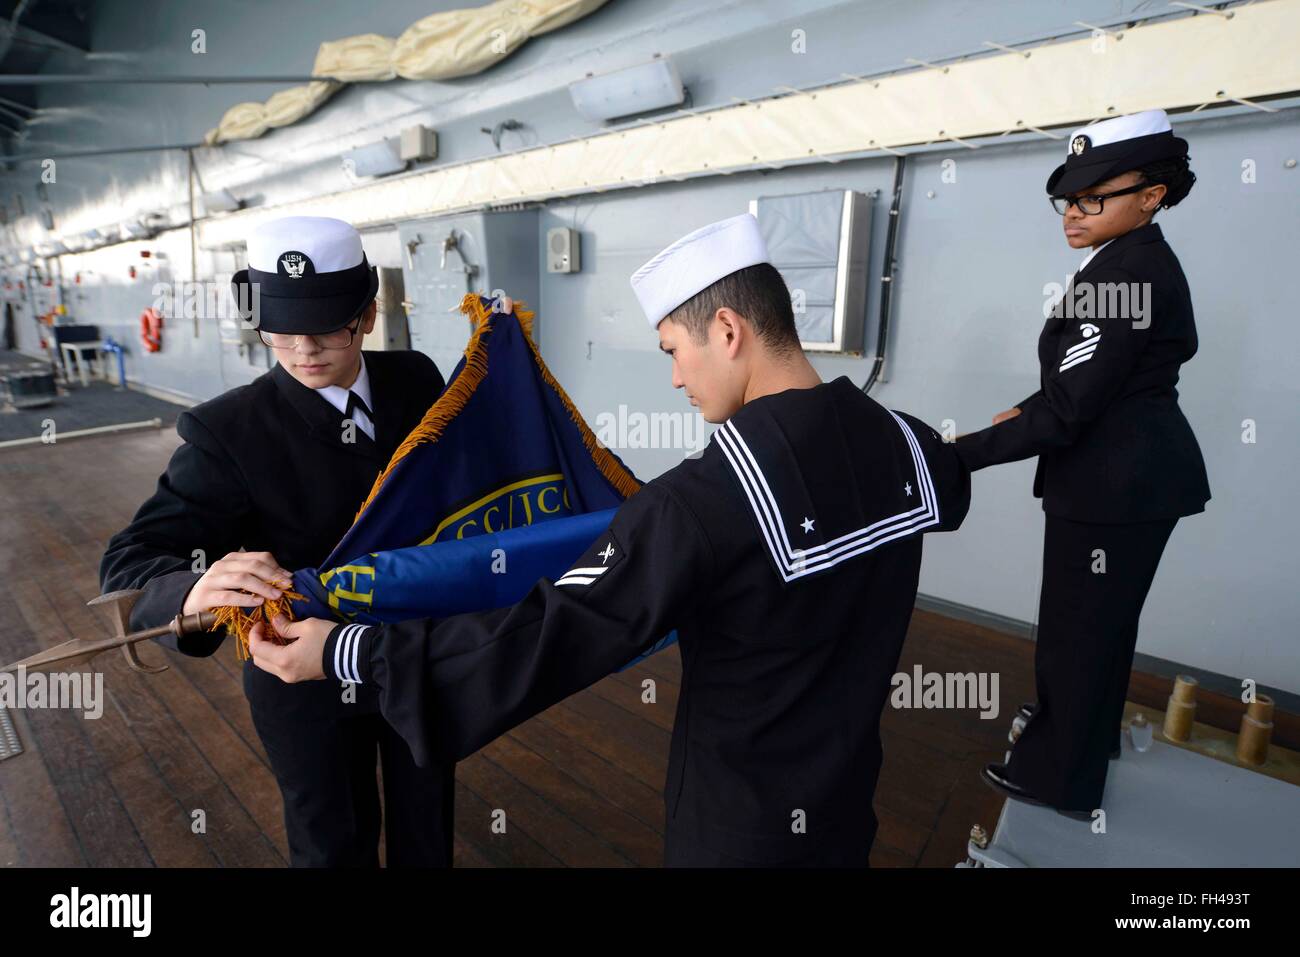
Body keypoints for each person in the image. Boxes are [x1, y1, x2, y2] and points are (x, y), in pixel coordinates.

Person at [250, 212, 971, 867]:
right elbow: (956, 475)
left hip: (740, 829)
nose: (675, 378)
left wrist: (347, 649)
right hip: (845, 804)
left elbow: (548, 636)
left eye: (673, 349)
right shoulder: (907, 443)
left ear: (727, 331)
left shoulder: (703, 501)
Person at [99, 216, 455, 866]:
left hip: (413, 650)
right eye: (280, 330)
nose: (303, 348)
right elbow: (128, 562)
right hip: (303, 676)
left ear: (369, 314)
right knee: (333, 844)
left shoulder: (417, 379)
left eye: (327, 326)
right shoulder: (228, 431)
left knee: (426, 822)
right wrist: (194, 588)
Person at [954, 110, 1211, 814]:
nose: (1074, 210)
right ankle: (1087, 746)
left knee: (1076, 634)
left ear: (1153, 193)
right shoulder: (1129, 261)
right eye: (1070, 195)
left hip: (1113, 486)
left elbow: (1069, 409)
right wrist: (1030, 405)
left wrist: (957, 454)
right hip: (1131, 480)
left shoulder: (1124, 273)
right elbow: (1089, 384)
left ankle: (1058, 777)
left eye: (1095, 195)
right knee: (1101, 626)